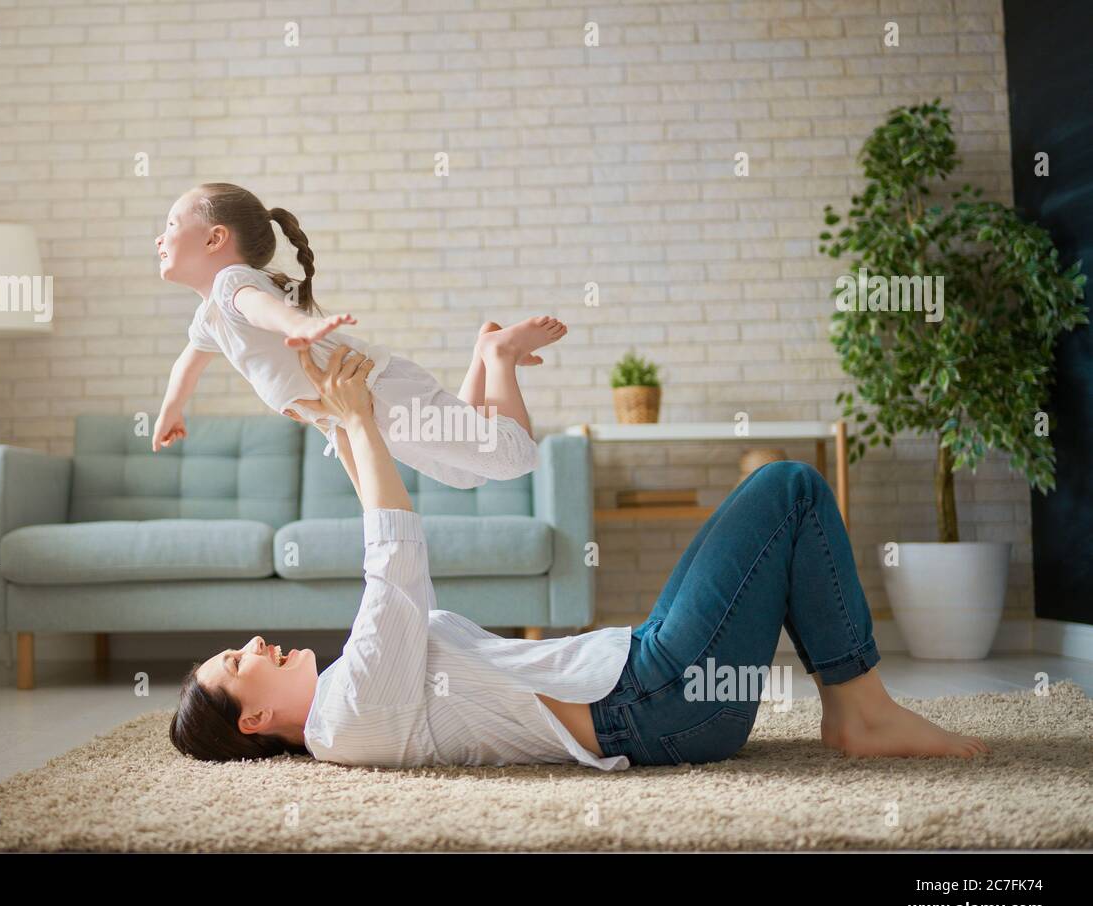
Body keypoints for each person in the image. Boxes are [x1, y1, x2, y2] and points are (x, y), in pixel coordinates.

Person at [169, 345, 991, 768]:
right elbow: (394, 565)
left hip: (648, 675)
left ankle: (854, 708)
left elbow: (392, 571)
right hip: (662, 701)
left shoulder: (355, 695)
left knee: (771, 504)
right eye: (239, 663)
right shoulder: (346, 717)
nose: (255, 645)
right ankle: (860, 710)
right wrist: (359, 424)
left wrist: (341, 423)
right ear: (252, 718)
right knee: (787, 488)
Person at [151, 182, 566, 490]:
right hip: (359, 408)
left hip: (380, 390)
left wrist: (299, 326)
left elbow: (260, 309)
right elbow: (189, 361)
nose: (160, 237)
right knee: (464, 476)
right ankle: (483, 351)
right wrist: (172, 408)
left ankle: (500, 353)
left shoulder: (231, 283)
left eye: (170, 224)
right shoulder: (209, 315)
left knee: (514, 457)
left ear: (214, 238)